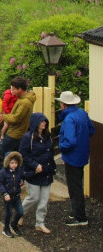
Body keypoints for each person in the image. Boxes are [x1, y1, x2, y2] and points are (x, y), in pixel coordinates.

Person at [57, 90, 95, 227]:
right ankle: (78, 212)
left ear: (63, 105)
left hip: (72, 156)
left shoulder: (68, 119)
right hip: (82, 154)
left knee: (74, 187)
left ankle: (80, 217)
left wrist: (62, 147)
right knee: (78, 184)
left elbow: (70, 141)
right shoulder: (82, 114)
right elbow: (92, 130)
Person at [19, 112, 56, 234]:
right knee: (33, 197)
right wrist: (35, 165)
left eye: (45, 121)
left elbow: (50, 153)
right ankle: (20, 214)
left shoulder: (48, 136)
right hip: (33, 172)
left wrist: (51, 167)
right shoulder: (27, 137)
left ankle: (40, 223)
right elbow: (24, 155)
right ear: (35, 123)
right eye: (42, 121)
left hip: (46, 172)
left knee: (44, 200)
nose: (44, 123)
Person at [0, 77, 36, 156]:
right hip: (16, 132)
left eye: (14, 89)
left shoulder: (24, 102)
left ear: (20, 89)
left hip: (15, 133)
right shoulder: (22, 99)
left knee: (4, 154)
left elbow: (16, 118)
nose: (12, 91)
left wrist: (4, 117)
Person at [0, 151, 25, 238]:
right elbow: (0, 183)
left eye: (16, 163)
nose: (14, 165)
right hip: (8, 196)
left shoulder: (18, 171)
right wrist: (5, 193)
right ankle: (6, 228)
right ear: (8, 162)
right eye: (12, 163)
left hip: (16, 196)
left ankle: (14, 224)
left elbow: (24, 177)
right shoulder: (3, 172)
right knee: (9, 213)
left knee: (20, 212)